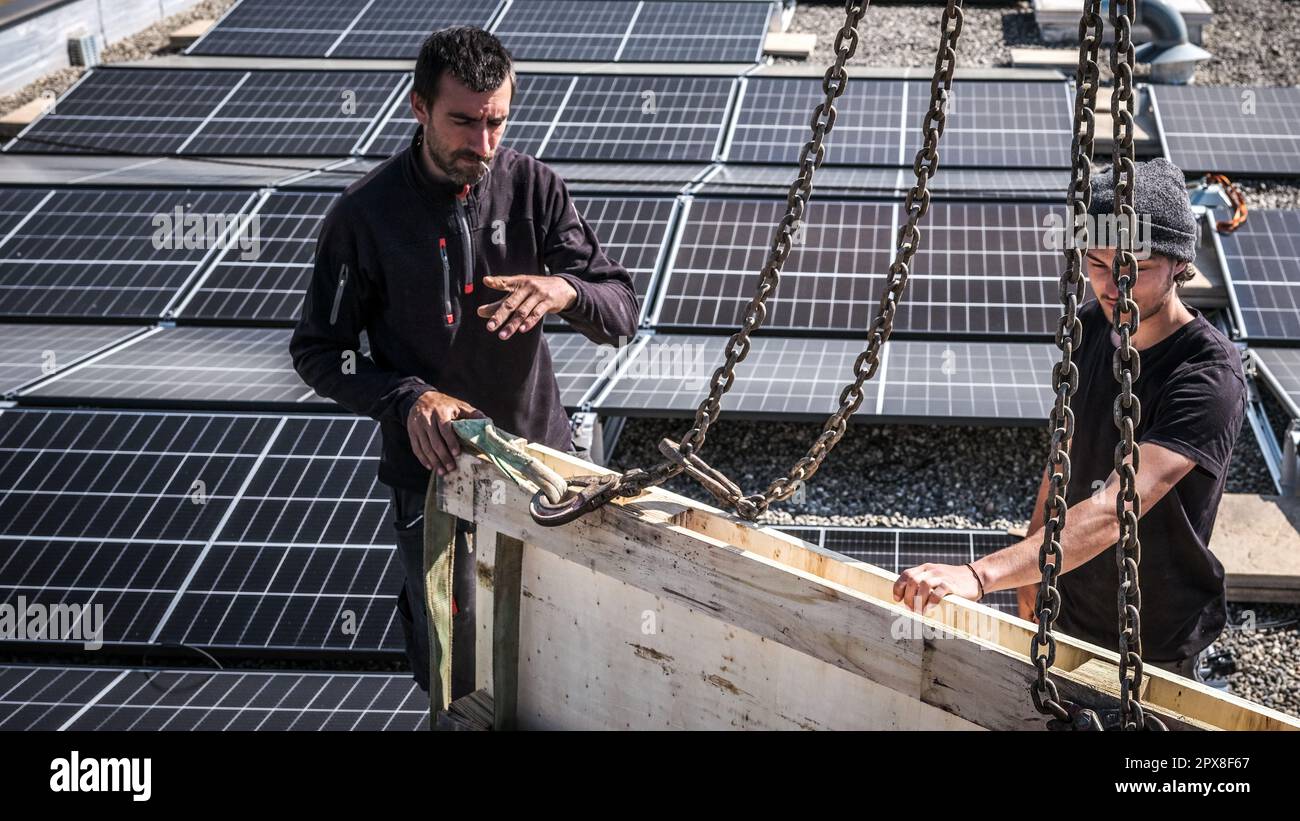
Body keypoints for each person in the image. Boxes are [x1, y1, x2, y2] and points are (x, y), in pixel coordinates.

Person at [290, 27, 638, 695]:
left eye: (496, 122)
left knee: (562, 647)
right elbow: (317, 351)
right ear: (418, 107)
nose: (482, 144)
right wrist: (408, 397)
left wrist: (564, 289)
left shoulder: (534, 189)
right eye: (463, 122)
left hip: (544, 470)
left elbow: (621, 306)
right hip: (431, 480)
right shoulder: (364, 216)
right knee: (454, 659)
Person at [892, 158, 1246, 684]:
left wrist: (980, 574)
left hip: (1153, 631)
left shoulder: (1208, 377)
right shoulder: (1090, 328)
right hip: (1073, 596)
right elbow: (1065, 453)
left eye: (1136, 267)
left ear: (1178, 265)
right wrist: (1035, 567)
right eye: (1097, 264)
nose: (1113, 285)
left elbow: (1117, 506)